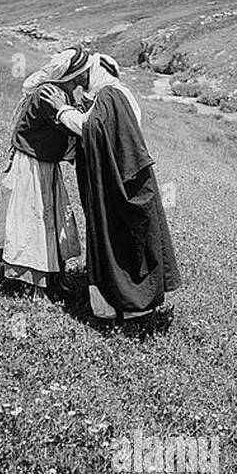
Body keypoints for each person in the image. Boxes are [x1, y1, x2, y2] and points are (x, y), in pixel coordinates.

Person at [55, 50, 181, 319]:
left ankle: (124, 305)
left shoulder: (111, 97)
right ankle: (133, 304)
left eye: (86, 76)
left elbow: (95, 129)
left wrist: (61, 110)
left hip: (119, 184)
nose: (83, 84)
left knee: (117, 240)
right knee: (132, 243)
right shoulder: (118, 95)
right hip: (128, 180)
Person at [0, 45, 91, 296]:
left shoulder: (63, 93)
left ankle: (50, 275)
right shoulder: (49, 94)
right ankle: (34, 285)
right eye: (86, 72)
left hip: (44, 164)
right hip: (31, 166)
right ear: (75, 74)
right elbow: (70, 126)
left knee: (47, 220)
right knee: (34, 221)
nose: (88, 76)